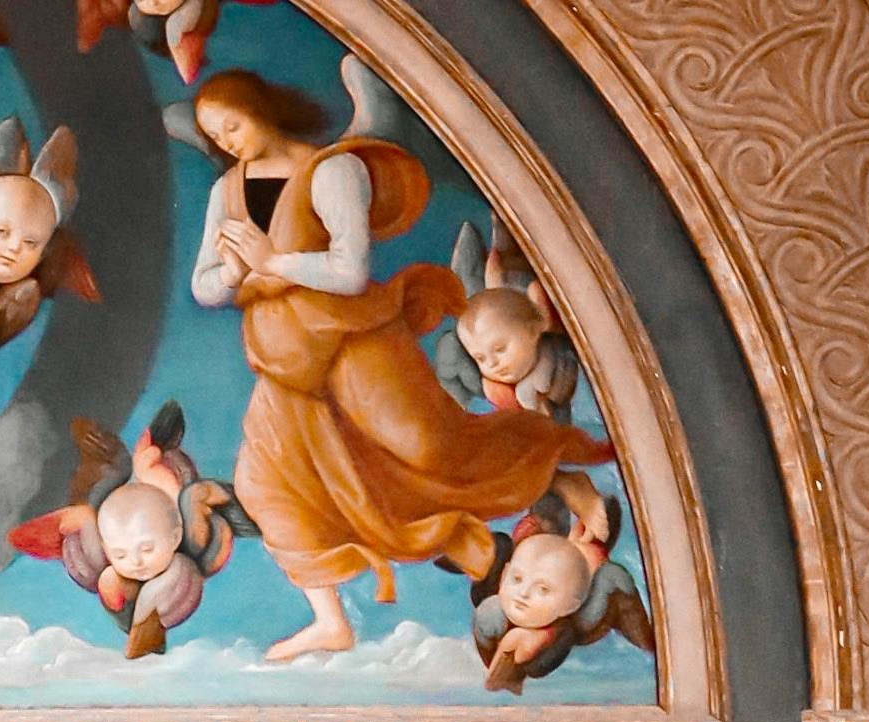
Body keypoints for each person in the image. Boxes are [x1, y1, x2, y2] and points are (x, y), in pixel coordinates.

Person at [180, 55, 610, 653]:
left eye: (234, 125)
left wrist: (269, 263)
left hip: (357, 344)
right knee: (267, 484)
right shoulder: (226, 191)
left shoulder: (332, 172)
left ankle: (555, 472)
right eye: (216, 135)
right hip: (286, 364)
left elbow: (350, 271)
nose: (228, 142)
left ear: (263, 111)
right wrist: (229, 272)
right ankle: (330, 620)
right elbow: (202, 284)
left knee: (428, 449)